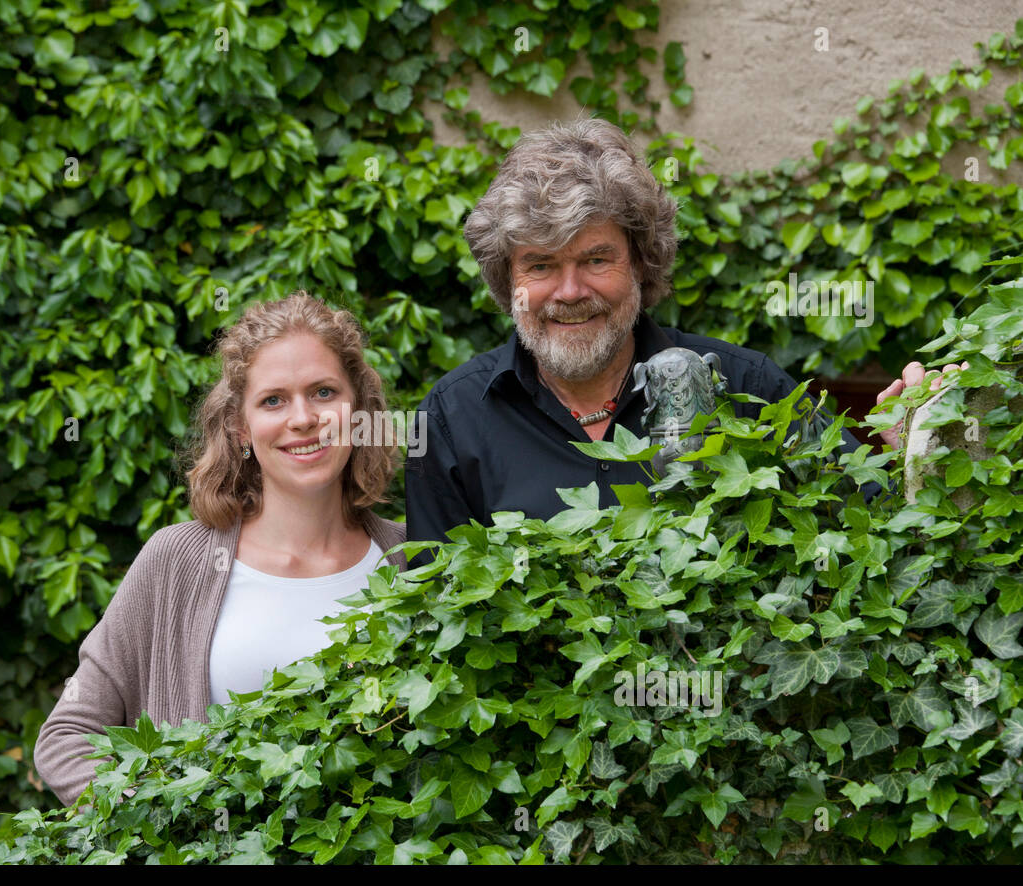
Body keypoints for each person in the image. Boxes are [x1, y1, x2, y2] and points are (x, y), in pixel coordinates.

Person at [404, 117, 960, 569]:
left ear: (642, 267)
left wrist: (908, 454)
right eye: (541, 265)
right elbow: (437, 620)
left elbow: (871, 547)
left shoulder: (749, 388)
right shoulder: (453, 420)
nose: (569, 292)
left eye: (596, 259)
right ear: (509, 282)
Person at [34, 291, 408, 805]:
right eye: (273, 400)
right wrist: (163, 826)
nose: (303, 418)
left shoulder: (411, 559)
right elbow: (67, 736)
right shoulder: (177, 562)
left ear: (357, 409)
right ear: (240, 427)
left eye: (323, 392)